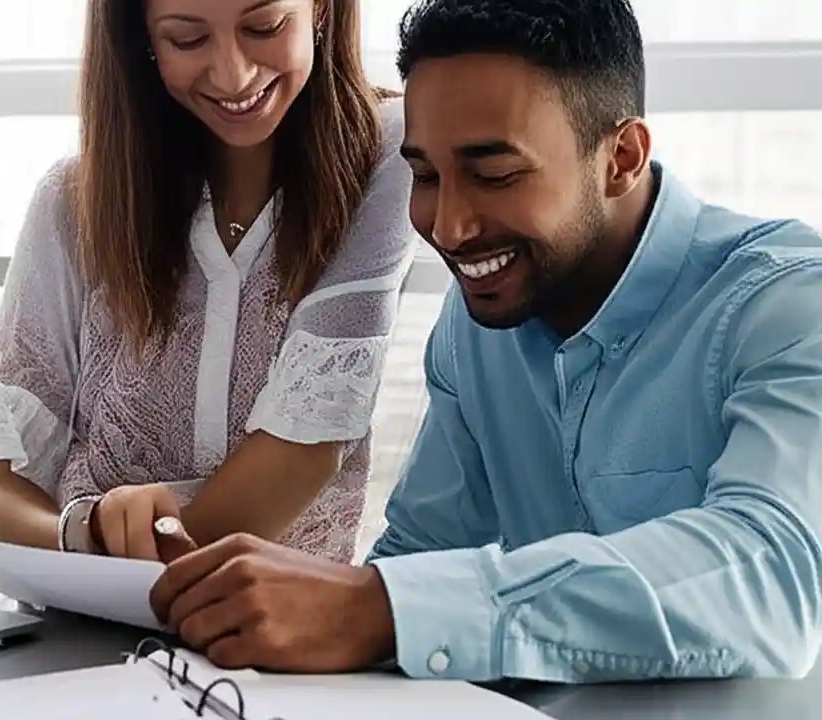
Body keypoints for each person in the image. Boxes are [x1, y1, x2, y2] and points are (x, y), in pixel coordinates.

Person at [150, 0, 822, 683]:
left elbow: (777, 574)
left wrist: (384, 609)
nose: (448, 226)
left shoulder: (790, 304)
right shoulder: (474, 330)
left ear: (621, 157)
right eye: (426, 175)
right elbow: (421, 554)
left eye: (495, 174)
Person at [0, 0, 416, 565]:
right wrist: (87, 531)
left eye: (264, 27)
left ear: (321, 7)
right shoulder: (71, 200)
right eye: (187, 40)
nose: (234, 74)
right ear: (143, 39)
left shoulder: (390, 152)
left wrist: (135, 564)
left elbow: (307, 441)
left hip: (265, 640)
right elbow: (0, 487)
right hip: (73, 625)